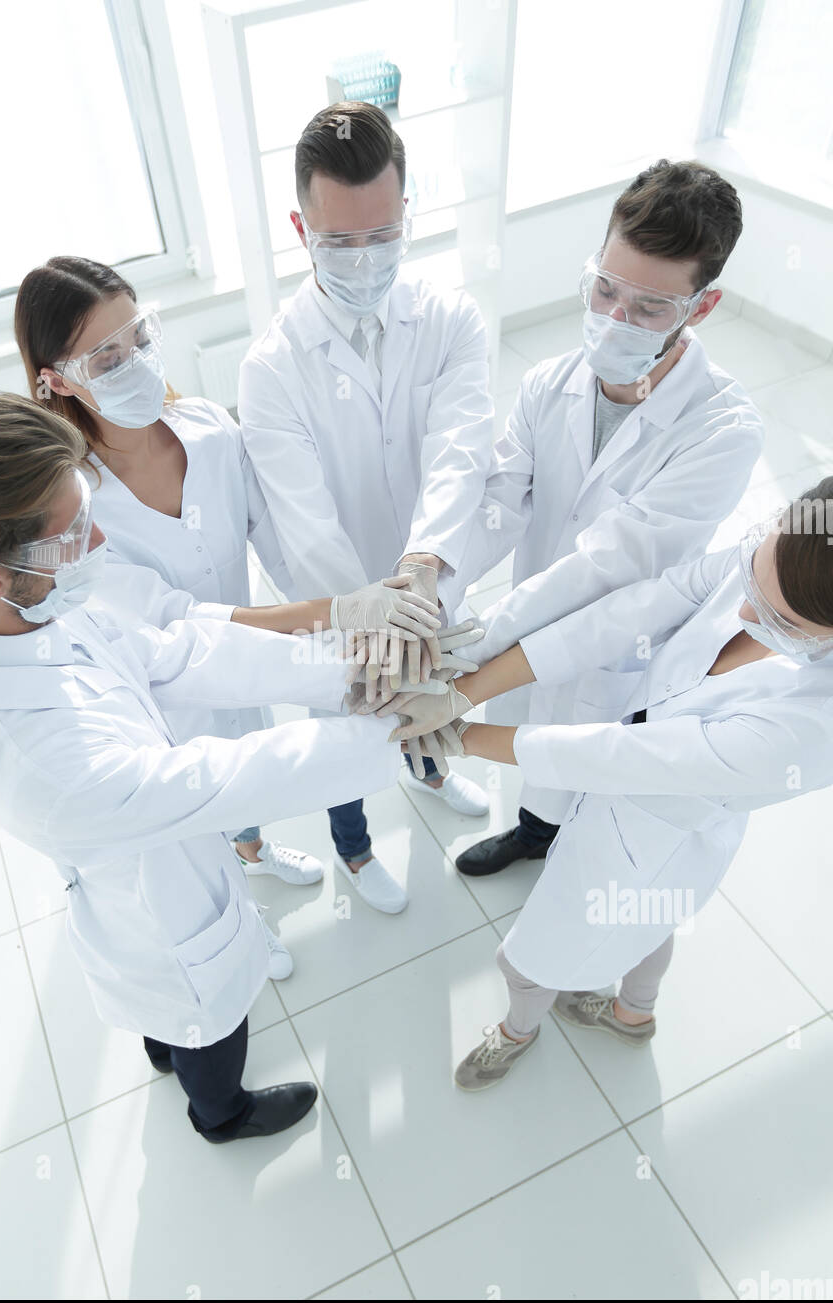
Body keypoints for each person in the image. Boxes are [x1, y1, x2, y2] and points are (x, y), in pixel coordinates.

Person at [0, 390, 411, 1144]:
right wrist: (402, 728)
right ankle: (223, 1114)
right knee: (210, 1027)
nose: (98, 545)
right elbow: (231, 779)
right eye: (73, 533)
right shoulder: (31, 751)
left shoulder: (21, 609)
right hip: (159, 910)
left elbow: (178, 655)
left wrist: (348, 670)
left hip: (155, 870)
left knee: (173, 1022)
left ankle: (168, 1048)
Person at [14, 256, 456, 969]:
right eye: (106, 357)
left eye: (139, 338)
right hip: (166, 693)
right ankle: (244, 906)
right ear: (55, 379)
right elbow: (179, 622)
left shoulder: (210, 431)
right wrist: (340, 611)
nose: (134, 363)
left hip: (251, 654)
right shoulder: (74, 506)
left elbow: (275, 538)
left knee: (298, 738)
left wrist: (345, 622)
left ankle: (312, 848)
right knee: (207, 801)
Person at [365, 481, 833, 1086]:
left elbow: (628, 757)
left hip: (654, 834)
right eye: (751, 579)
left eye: (777, 619)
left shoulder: (814, 725)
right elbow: (631, 613)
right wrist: (464, 690)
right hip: (632, 808)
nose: (743, 609)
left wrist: (464, 737)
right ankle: (634, 1014)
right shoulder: (777, 557)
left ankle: (516, 1031)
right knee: (653, 925)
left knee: (530, 957)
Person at [453, 159, 765, 879]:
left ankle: (572, 858)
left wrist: (479, 646)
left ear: (702, 307)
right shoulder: (546, 383)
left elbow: (613, 564)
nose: (615, 319)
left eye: (650, 308)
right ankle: (533, 834)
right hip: (535, 625)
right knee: (540, 747)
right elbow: (500, 504)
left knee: (595, 774)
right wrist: (430, 589)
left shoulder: (722, 432)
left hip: (621, 648)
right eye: (604, 290)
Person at [239, 100, 503, 914]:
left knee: (431, 689)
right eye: (341, 242)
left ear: (407, 213)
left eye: (382, 237)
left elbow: (462, 455)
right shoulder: (271, 367)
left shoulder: (451, 319)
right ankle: (353, 850)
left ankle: (431, 766)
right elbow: (306, 527)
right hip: (338, 594)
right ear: (299, 226)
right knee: (344, 721)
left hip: (428, 576)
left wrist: (423, 576)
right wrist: (376, 626)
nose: (364, 260)